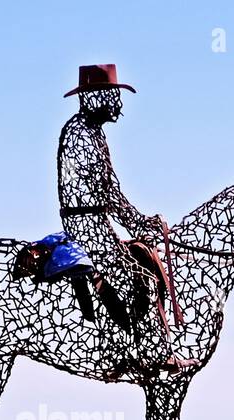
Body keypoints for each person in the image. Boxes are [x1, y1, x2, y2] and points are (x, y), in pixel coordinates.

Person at [56, 64, 165, 332]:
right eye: (108, 95)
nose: (115, 102)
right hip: (86, 222)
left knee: (141, 257)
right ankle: (130, 344)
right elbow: (106, 190)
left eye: (114, 95)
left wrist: (138, 222)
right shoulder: (79, 132)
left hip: (96, 218)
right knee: (134, 274)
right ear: (91, 98)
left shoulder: (94, 131)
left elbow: (109, 188)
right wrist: (137, 222)